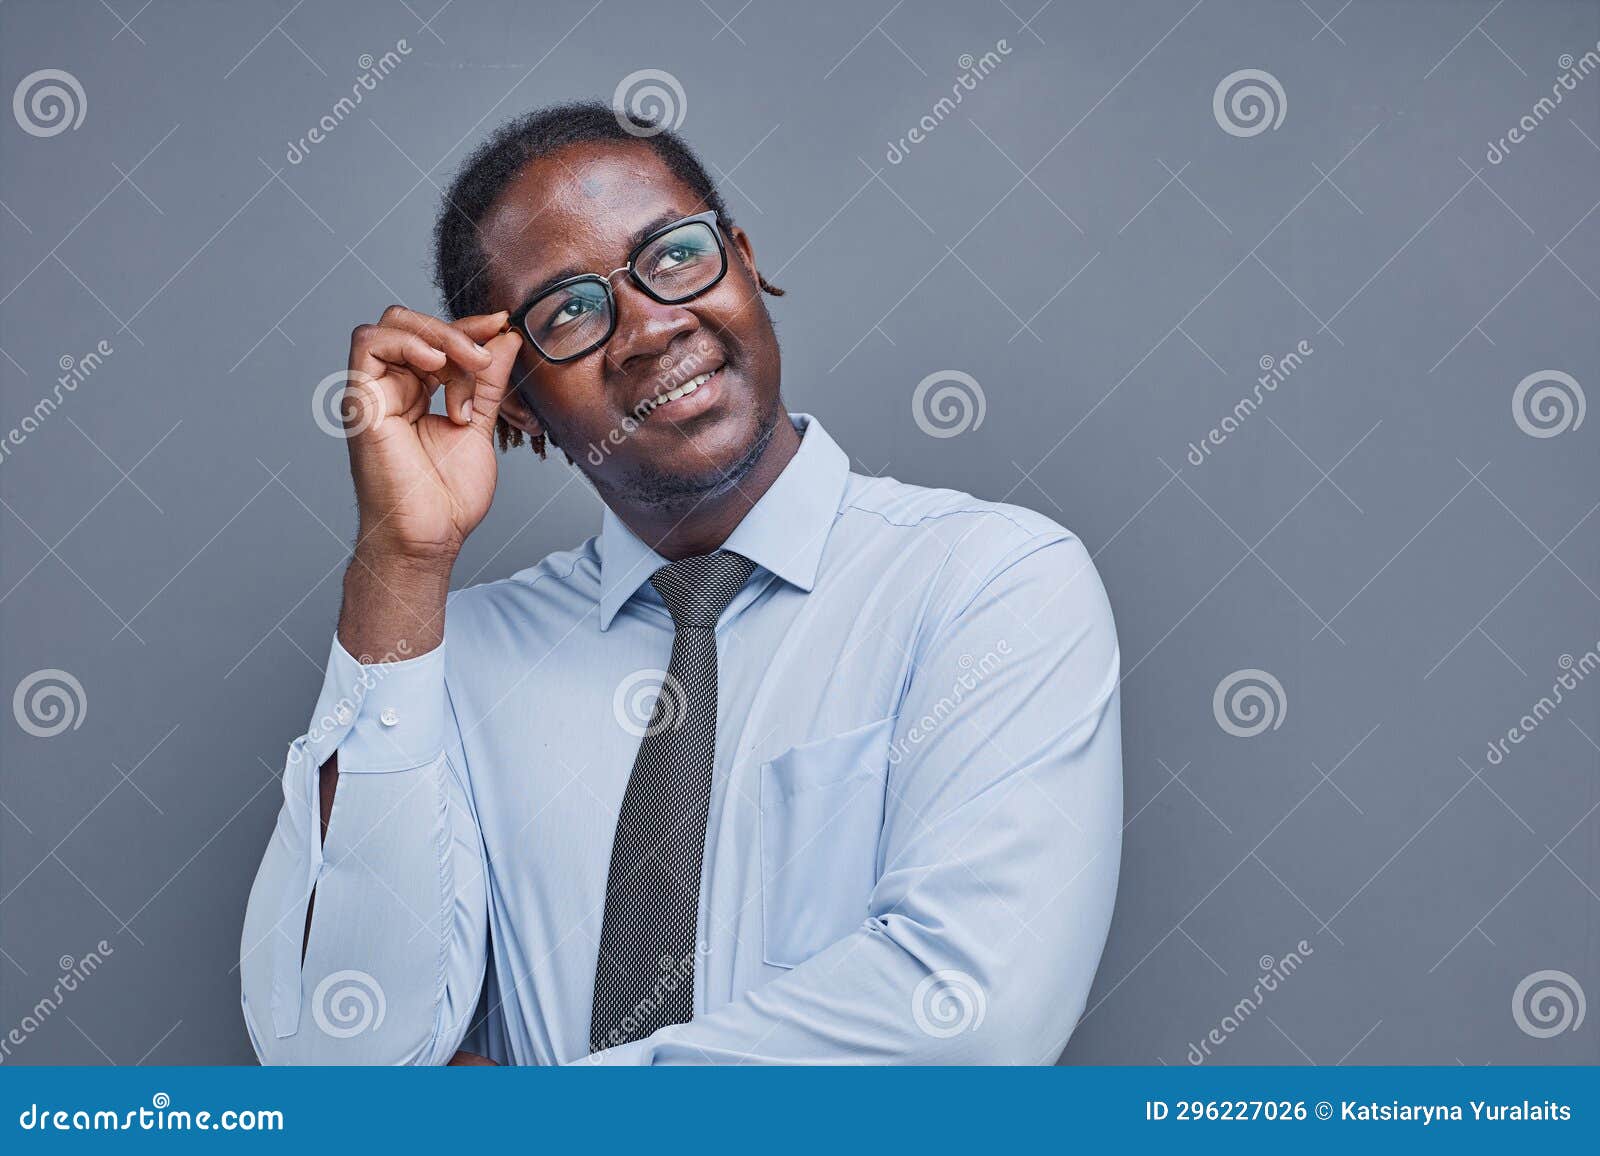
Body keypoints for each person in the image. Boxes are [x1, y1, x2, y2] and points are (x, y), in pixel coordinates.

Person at [239, 101, 1123, 1065]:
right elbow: (340, 1062)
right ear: (520, 406)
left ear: (746, 264)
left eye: (675, 256)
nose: (651, 327)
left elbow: (972, 1019)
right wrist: (398, 568)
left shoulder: (990, 585)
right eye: (569, 310)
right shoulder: (448, 667)